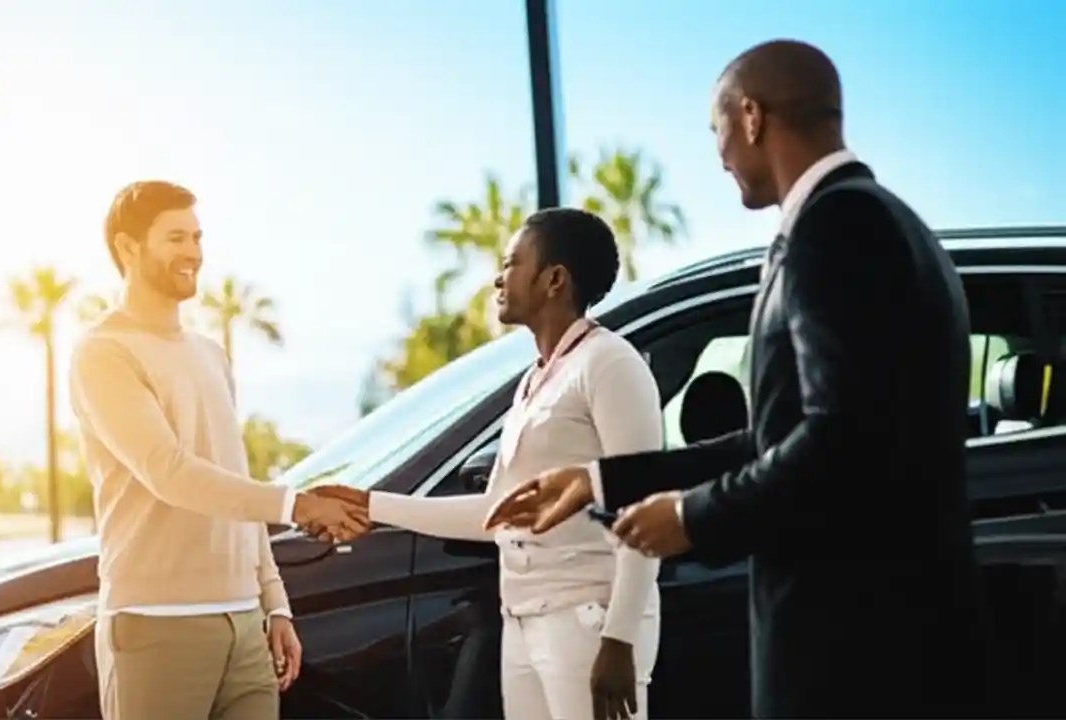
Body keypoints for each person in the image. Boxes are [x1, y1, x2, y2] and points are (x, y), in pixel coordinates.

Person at [485, 40, 991, 718]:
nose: (720, 153)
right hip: (887, 634)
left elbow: (840, 443)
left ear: (750, 116)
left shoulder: (837, 229)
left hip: (855, 646)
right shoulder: (889, 221)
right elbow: (782, 436)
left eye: (717, 128)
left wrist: (691, 518)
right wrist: (601, 482)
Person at [314, 208, 664, 720]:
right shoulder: (534, 380)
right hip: (524, 621)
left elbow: (644, 507)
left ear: (554, 279)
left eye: (511, 263)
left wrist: (619, 638)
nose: (499, 278)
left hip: (587, 624)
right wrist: (371, 504)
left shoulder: (610, 363)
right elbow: (497, 513)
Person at [68, 180, 369, 720]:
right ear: (127, 249)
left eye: (198, 237)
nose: (193, 253)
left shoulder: (210, 355)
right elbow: (170, 473)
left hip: (244, 627)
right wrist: (297, 505)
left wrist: (274, 603)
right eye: (175, 238)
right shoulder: (103, 354)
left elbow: (235, 482)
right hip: (156, 625)